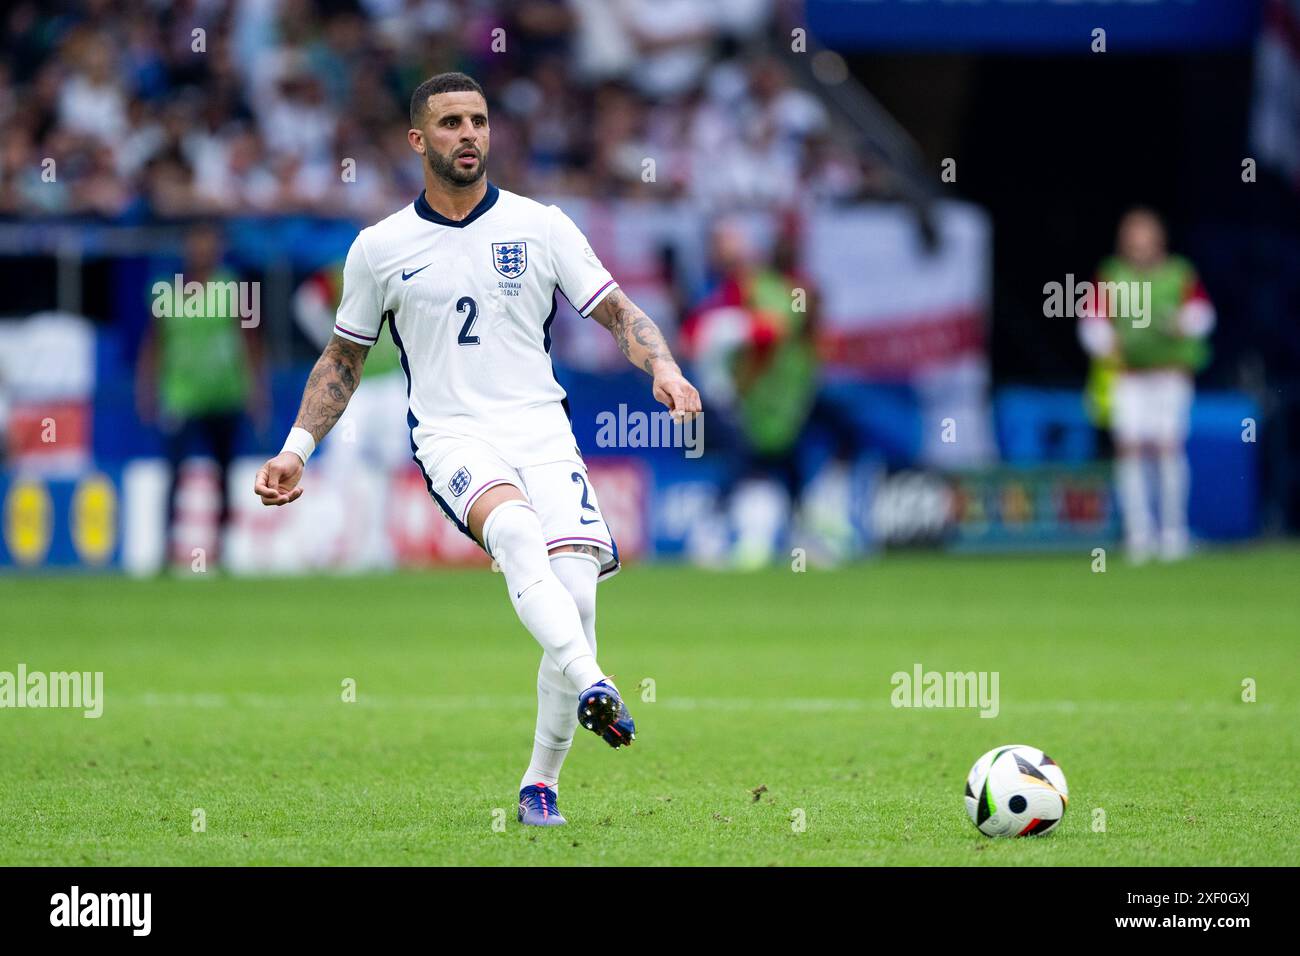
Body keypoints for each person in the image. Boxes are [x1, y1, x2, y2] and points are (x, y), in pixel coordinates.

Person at [252, 73, 701, 826]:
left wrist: (663, 363)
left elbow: (617, 310)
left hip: (542, 430)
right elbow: (342, 358)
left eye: (480, 121)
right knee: (519, 535)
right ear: (418, 140)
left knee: (578, 596)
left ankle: (540, 784)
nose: (469, 134)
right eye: (452, 122)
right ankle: (597, 683)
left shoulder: (541, 225)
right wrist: (297, 449)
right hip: (454, 434)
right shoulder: (380, 247)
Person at [1078, 208, 1215, 562]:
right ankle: (1139, 533)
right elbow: (1092, 320)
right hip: (1128, 376)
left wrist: (1183, 323)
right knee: (1130, 448)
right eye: (1132, 237)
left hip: (1170, 374)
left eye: (1145, 236)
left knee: (1167, 447)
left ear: (1158, 239)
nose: (1139, 245)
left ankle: (1173, 533)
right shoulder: (1112, 275)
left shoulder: (1178, 273)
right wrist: (1104, 342)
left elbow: (1203, 315)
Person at [137, 222, 265, 567]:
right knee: (174, 473)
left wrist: (257, 394)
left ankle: (222, 548)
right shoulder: (165, 291)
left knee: (223, 473)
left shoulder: (234, 288)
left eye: (209, 243)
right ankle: (166, 547)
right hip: (181, 397)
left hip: (225, 394)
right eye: (197, 242)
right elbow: (153, 343)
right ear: (186, 247)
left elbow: (250, 341)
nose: (203, 249)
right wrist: (146, 391)